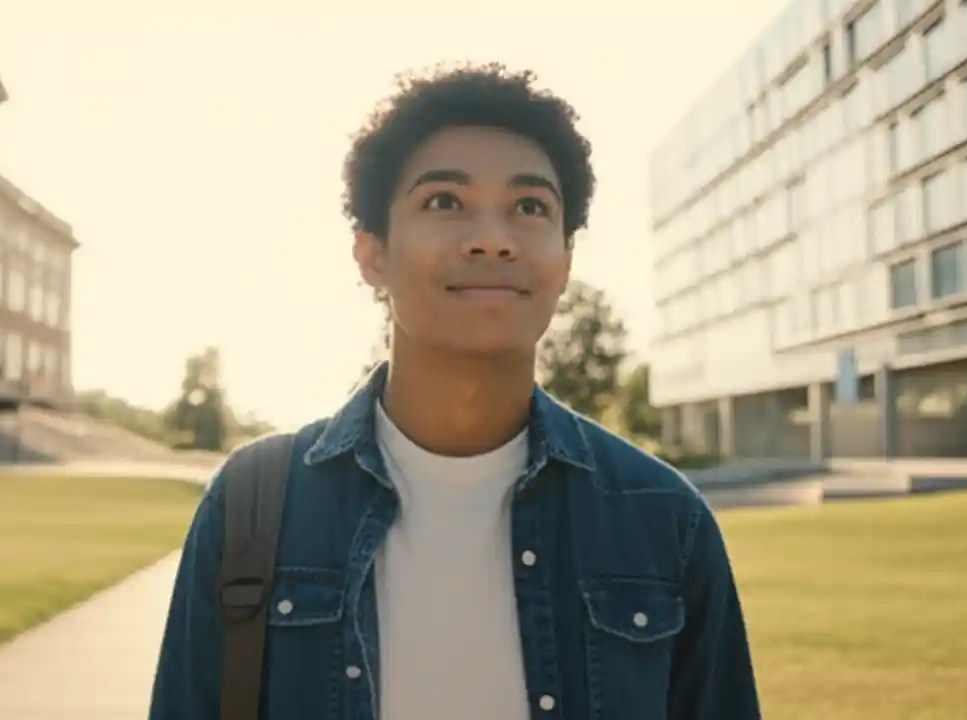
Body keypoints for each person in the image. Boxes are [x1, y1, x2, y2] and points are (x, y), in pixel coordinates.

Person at [149, 62, 761, 720]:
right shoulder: (254, 507)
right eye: (444, 201)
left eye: (530, 208)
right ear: (372, 253)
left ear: (566, 257)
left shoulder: (665, 521)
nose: (493, 240)